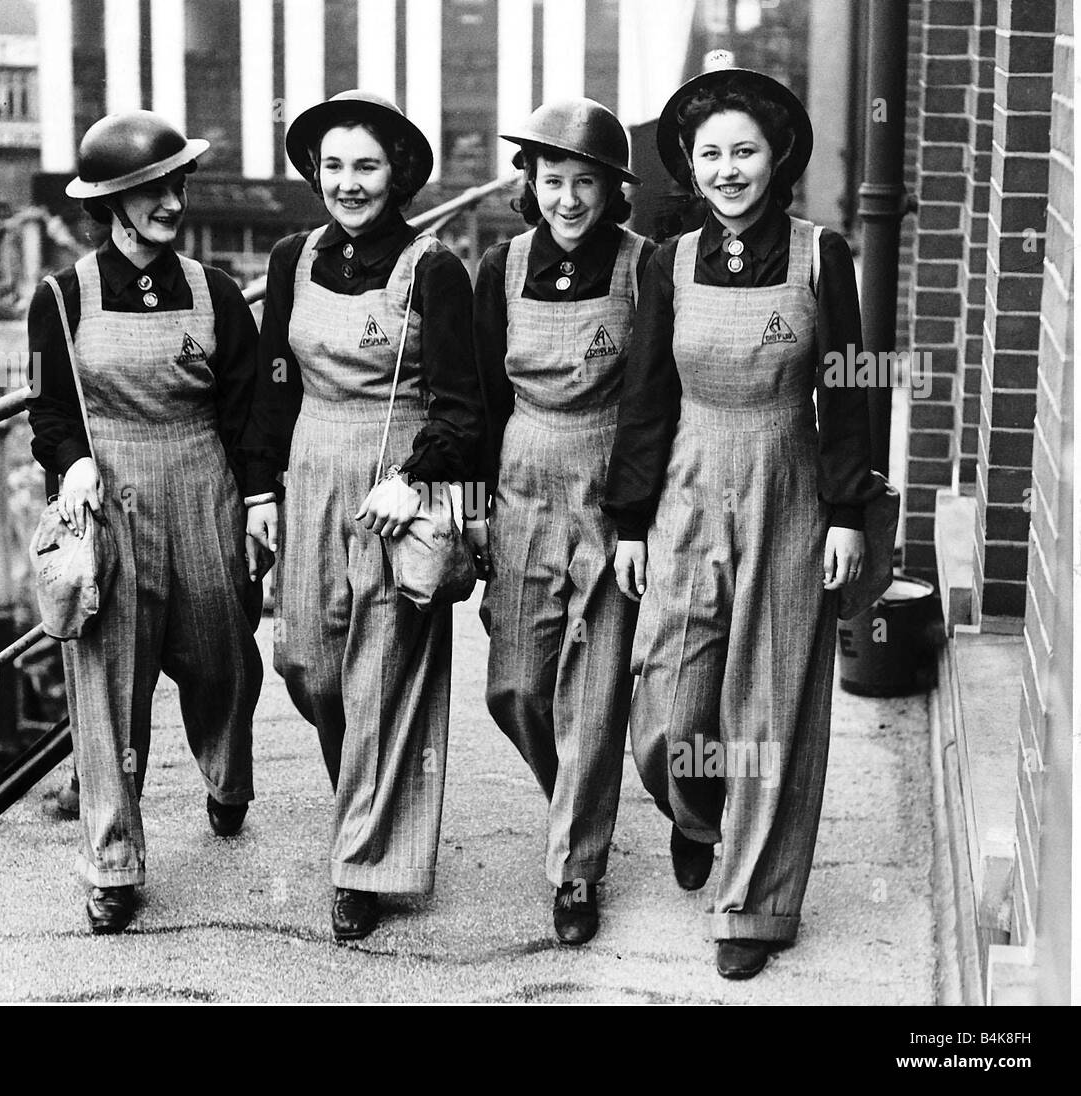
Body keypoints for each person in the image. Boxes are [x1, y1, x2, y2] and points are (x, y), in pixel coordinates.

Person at [604, 53, 880, 978]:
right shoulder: (667, 260)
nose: (727, 170)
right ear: (690, 163)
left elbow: (851, 385)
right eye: (709, 153)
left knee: (770, 704)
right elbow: (645, 400)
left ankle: (754, 910)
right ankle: (696, 810)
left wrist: (848, 510)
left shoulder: (819, 253)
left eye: (745, 152)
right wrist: (631, 522)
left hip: (790, 488)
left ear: (779, 157)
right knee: (667, 705)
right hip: (686, 485)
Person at [241, 90, 487, 942]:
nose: (347, 184)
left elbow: (464, 409)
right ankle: (366, 798)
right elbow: (274, 383)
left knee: (382, 680)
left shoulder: (437, 270)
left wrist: (415, 475)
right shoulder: (291, 258)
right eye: (334, 167)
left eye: (366, 167)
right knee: (308, 665)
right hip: (310, 475)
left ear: (399, 175)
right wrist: (260, 492)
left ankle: (363, 867)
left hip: (393, 497)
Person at [27, 110, 264, 934]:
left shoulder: (217, 293)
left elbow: (247, 411)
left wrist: (256, 508)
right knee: (107, 687)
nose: (170, 201)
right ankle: (113, 862)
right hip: (107, 496)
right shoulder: (60, 298)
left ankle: (228, 777)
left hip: (202, 484)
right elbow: (48, 410)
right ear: (112, 205)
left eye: (176, 184)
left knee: (223, 659)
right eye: (149, 190)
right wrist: (71, 461)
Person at [475, 99, 651, 945]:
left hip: (611, 482)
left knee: (596, 690)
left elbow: (663, 396)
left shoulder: (643, 267)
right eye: (553, 180)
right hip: (519, 482)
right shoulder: (499, 268)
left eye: (586, 182)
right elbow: (473, 400)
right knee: (515, 687)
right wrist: (471, 510)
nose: (569, 199)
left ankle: (578, 867)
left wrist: (645, 512)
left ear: (613, 190)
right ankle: (576, 802)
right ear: (531, 183)